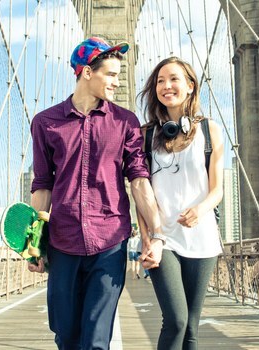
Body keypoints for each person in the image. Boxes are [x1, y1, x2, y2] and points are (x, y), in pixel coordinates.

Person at [28, 37, 164, 350]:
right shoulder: (45, 123)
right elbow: (42, 185)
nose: (117, 82)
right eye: (111, 75)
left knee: (96, 340)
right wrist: (33, 245)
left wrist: (156, 235)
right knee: (66, 336)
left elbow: (139, 181)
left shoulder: (125, 122)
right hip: (62, 241)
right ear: (87, 72)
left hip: (109, 240)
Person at [136, 56, 224, 350]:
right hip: (165, 239)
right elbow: (140, 191)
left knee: (191, 327)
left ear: (190, 86)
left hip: (202, 239)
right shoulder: (146, 135)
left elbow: (217, 190)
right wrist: (148, 239)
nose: (165, 86)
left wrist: (200, 209)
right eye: (160, 81)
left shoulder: (210, 130)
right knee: (175, 319)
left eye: (173, 79)